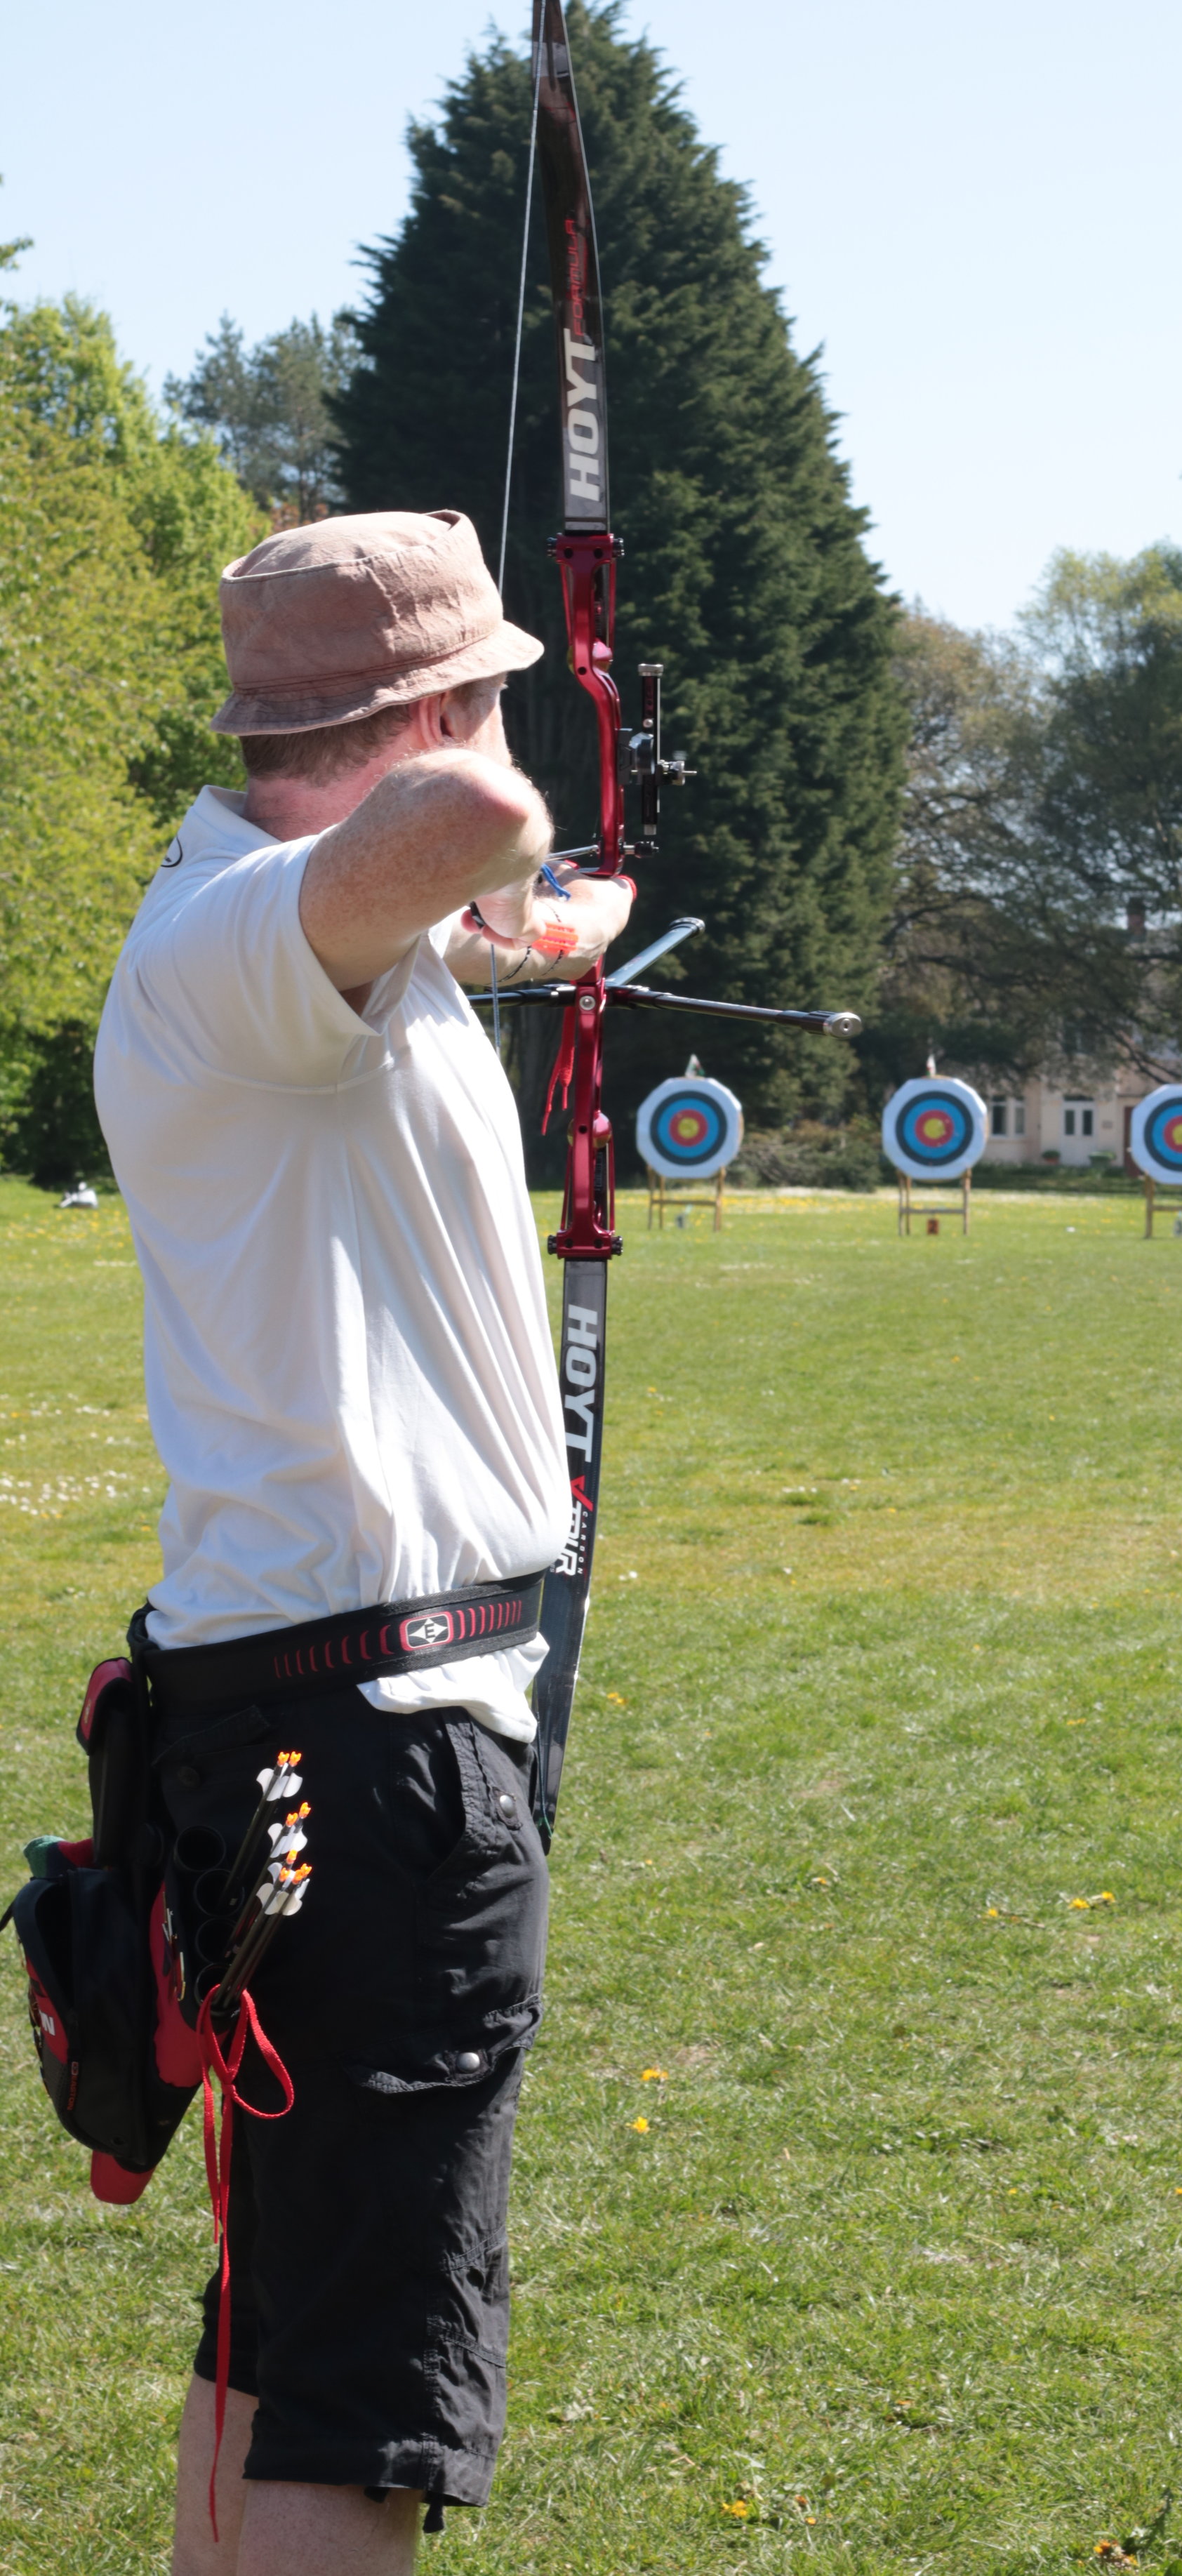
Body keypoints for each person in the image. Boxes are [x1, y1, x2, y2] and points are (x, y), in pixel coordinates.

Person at [93, 507, 632, 2576]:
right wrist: (489, 865)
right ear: (426, 706)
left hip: (314, 1714)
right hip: (374, 1744)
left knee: (282, 2328)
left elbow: (452, 853)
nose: (515, 728)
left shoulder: (289, 939)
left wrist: (505, 939)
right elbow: (479, 806)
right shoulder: (235, 939)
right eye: (489, 683)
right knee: (361, 2396)